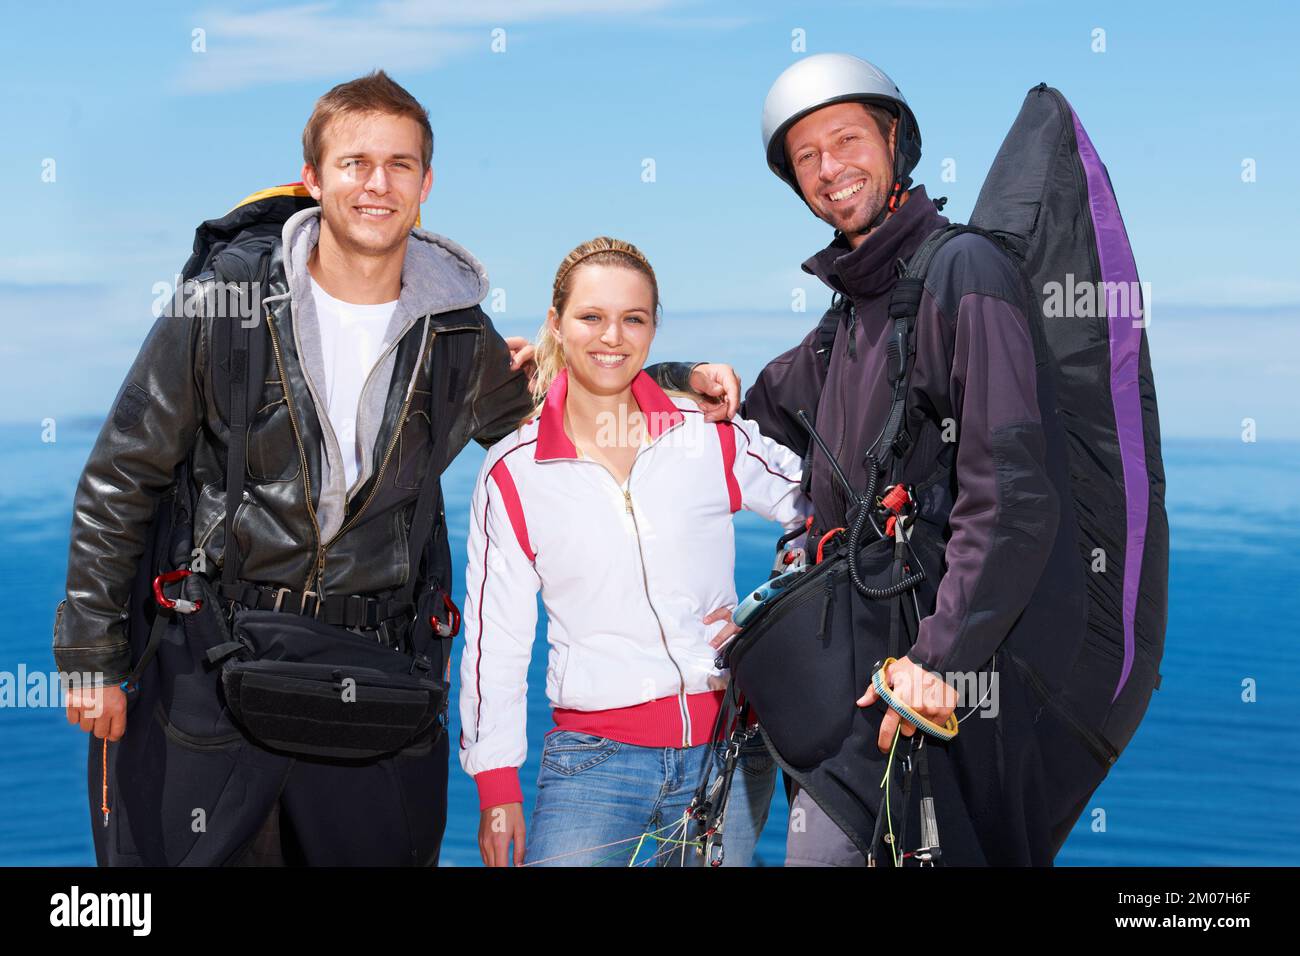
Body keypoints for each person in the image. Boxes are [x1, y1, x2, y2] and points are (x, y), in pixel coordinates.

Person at [53, 71, 741, 866]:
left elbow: (554, 421)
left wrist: (675, 379)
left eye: (400, 165)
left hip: (374, 678)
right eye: (354, 163)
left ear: (425, 184)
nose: (377, 185)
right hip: (213, 664)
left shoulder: (455, 329)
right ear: (313, 178)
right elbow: (120, 476)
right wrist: (90, 657)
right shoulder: (225, 303)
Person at [738, 53, 1073, 865]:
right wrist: (655, 379)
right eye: (807, 158)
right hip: (855, 668)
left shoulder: (963, 272)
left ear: (895, 140)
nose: (828, 169)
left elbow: (1014, 488)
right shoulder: (853, 308)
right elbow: (760, 406)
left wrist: (938, 660)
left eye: (846, 140)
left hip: (915, 676)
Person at [459, 237, 809, 867]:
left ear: (653, 330)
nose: (611, 337)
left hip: (728, 753)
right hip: (593, 761)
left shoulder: (707, 434)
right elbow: (495, 641)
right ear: (556, 325)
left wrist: (772, 609)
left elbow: (825, 513)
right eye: (591, 317)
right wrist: (495, 784)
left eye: (633, 319)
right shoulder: (513, 469)